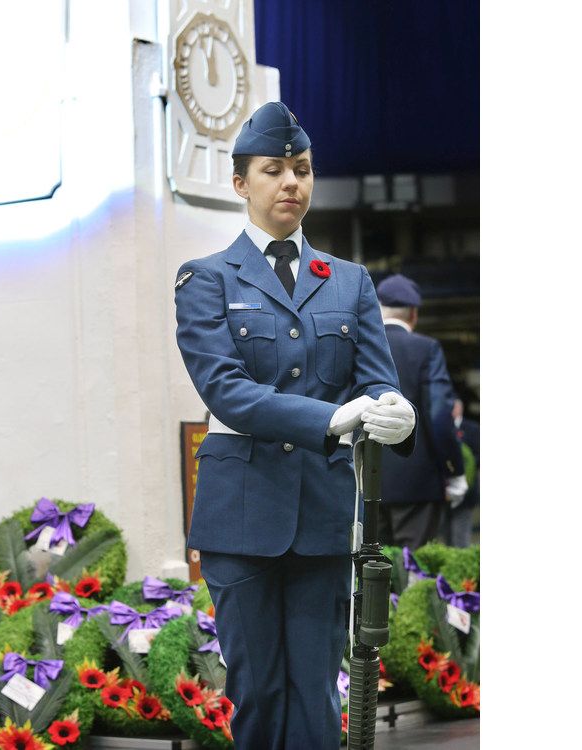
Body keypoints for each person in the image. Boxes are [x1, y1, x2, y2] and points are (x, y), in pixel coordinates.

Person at [174, 101, 418, 749]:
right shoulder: (206, 279)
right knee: (257, 690)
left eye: (303, 170)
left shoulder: (350, 282)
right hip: (242, 514)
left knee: (315, 691)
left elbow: (378, 380)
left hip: (321, 513)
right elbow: (225, 391)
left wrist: (396, 412)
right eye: (274, 170)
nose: (291, 182)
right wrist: (333, 417)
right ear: (240, 183)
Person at [375, 273, 467, 551]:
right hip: (417, 483)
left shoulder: (357, 347)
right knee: (415, 568)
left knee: (372, 567)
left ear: (377, 309)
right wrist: (454, 470)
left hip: (367, 479)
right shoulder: (426, 349)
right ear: (414, 314)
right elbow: (439, 415)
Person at [447, 397, 480, 547]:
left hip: (467, 490)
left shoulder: (472, 428)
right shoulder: (441, 427)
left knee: (461, 537)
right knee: (446, 536)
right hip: (445, 492)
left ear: (460, 408)